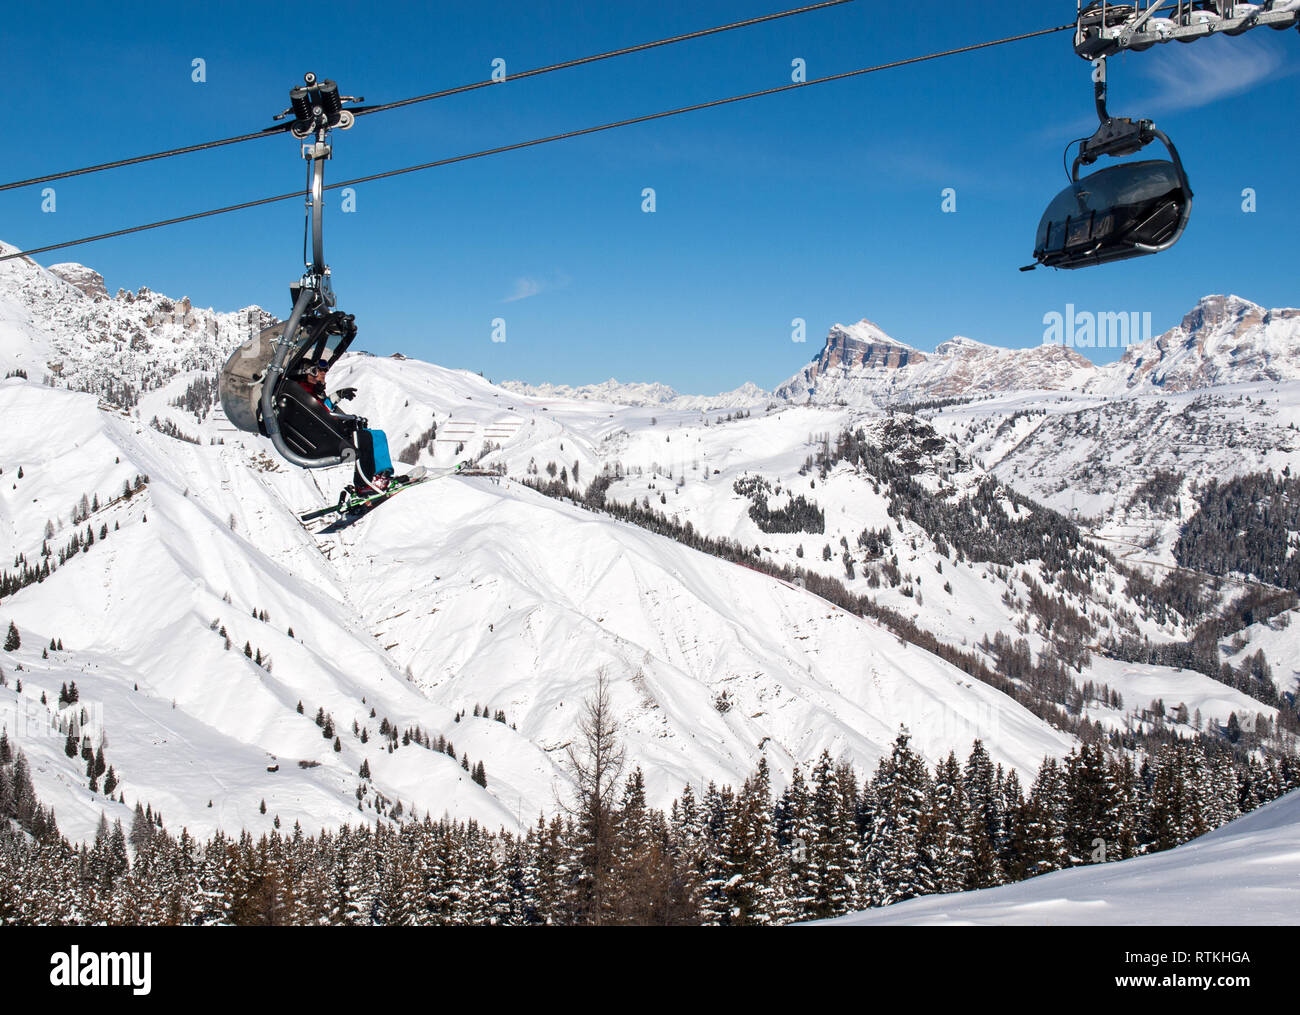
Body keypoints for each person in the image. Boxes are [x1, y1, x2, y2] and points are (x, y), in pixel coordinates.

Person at [295, 359, 423, 497]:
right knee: (364, 438)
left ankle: (381, 476)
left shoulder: (314, 391)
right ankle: (363, 484)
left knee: (376, 435)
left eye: (324, 371)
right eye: (316, 371)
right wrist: (335, 397)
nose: (321, 374)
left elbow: (323, 411)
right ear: (303, 373)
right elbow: (318, 413)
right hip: (318, 441)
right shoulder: (302, 391)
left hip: (325, 434)